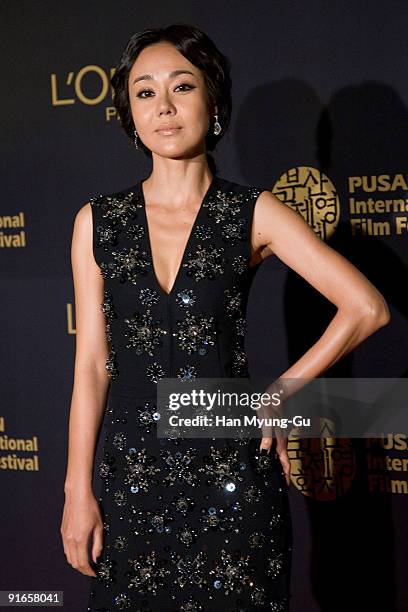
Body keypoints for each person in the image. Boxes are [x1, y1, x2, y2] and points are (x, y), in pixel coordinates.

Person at [60, 23, 390, 612]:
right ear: (128, 112)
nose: (162, 106)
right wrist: (76, 489)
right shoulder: (97, 222)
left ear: (212, 102)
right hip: (132, 482)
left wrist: (283, 392)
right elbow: (91, 365)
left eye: (181, 87)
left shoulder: (253, 211)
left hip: (233, 476)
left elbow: (367, 307)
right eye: (144, 92)